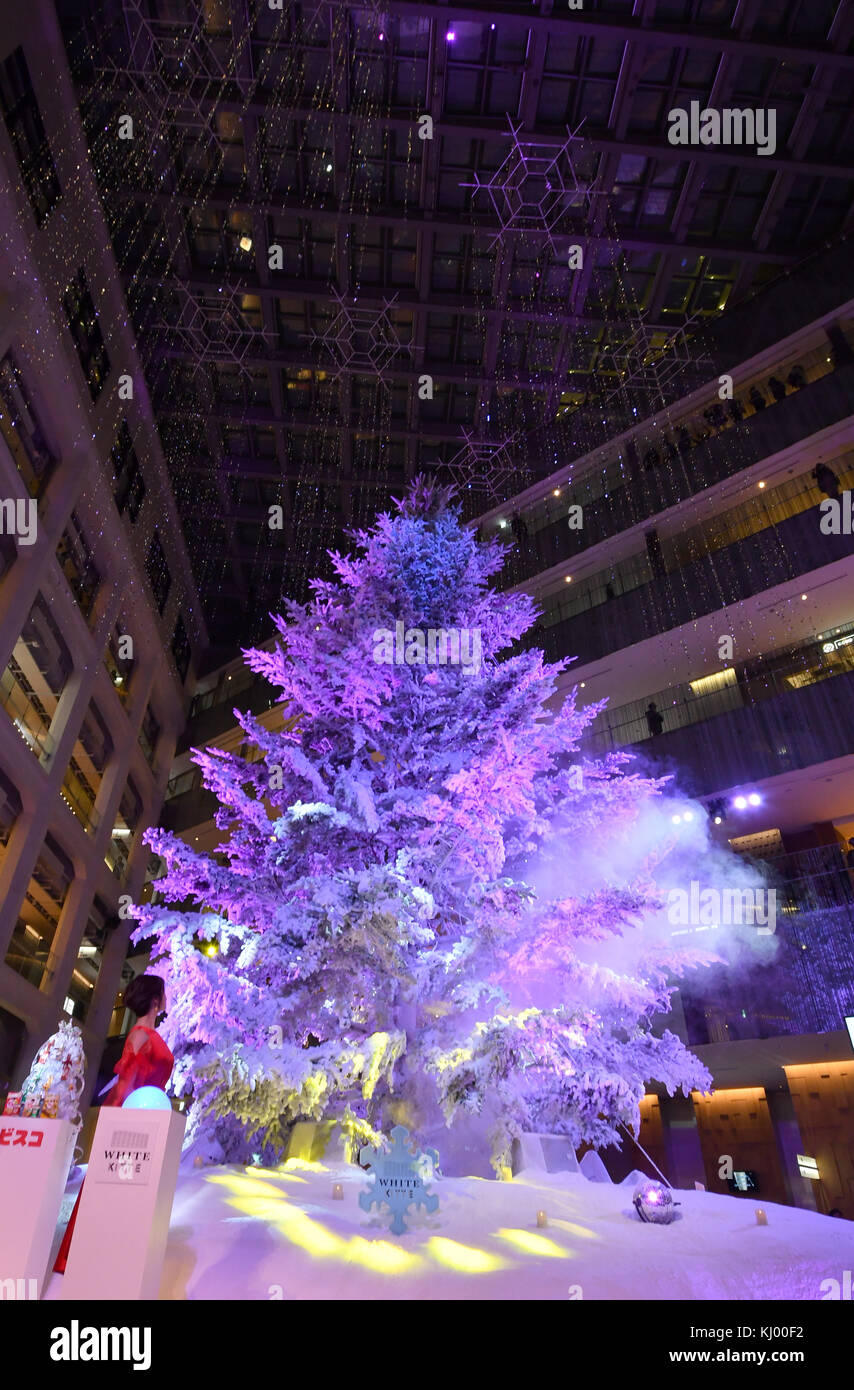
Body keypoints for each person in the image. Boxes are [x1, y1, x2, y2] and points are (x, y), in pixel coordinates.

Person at [53, 974, 173, 1274]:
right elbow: (125, 1085)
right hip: (133, 1123)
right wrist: (120, 1124)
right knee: (112, 1189)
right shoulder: (141, 1035)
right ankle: (87, 1255)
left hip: (146, 1119)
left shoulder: (147, 1034)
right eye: (164, 993)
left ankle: (106, 1254)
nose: (167, 997)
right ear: (155, 1000)